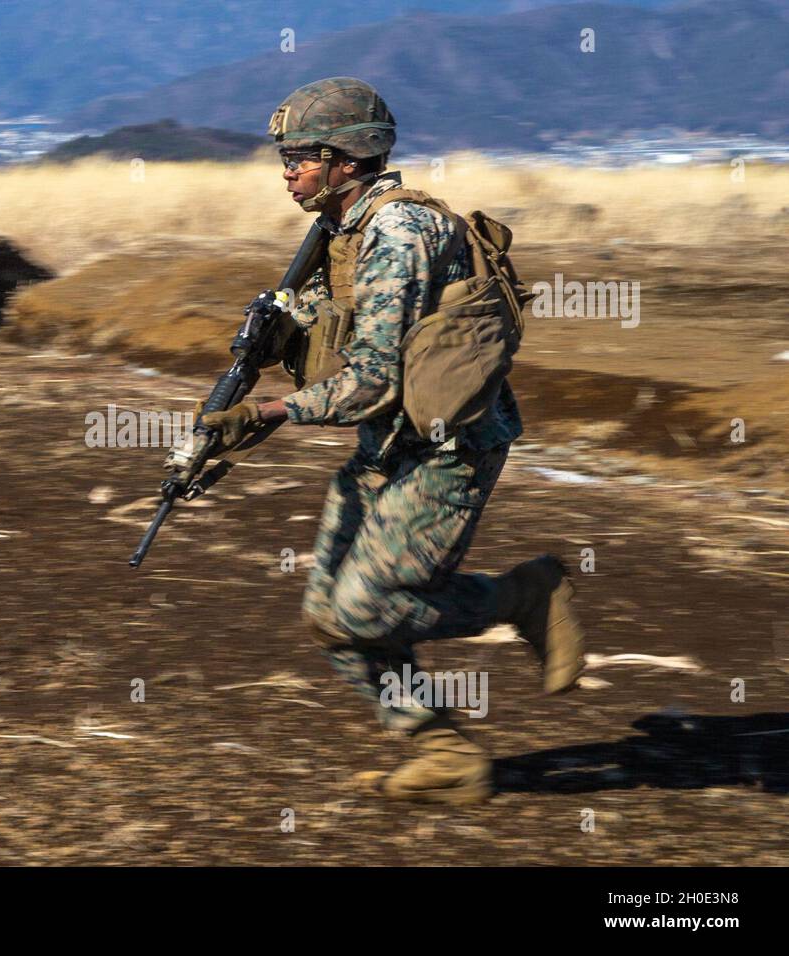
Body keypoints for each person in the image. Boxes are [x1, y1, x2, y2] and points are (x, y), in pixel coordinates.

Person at [200, 77, 586, 806]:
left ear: (345, 158)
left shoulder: (398, 234)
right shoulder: (343, 232)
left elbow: (373, 379)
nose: (286, 171)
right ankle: (440, 750)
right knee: (329, 616)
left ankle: (524, 596)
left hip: (450, 449)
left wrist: (269, 415)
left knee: (365, 608)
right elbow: (345, 343)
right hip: (394, 443)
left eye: (298, 158)